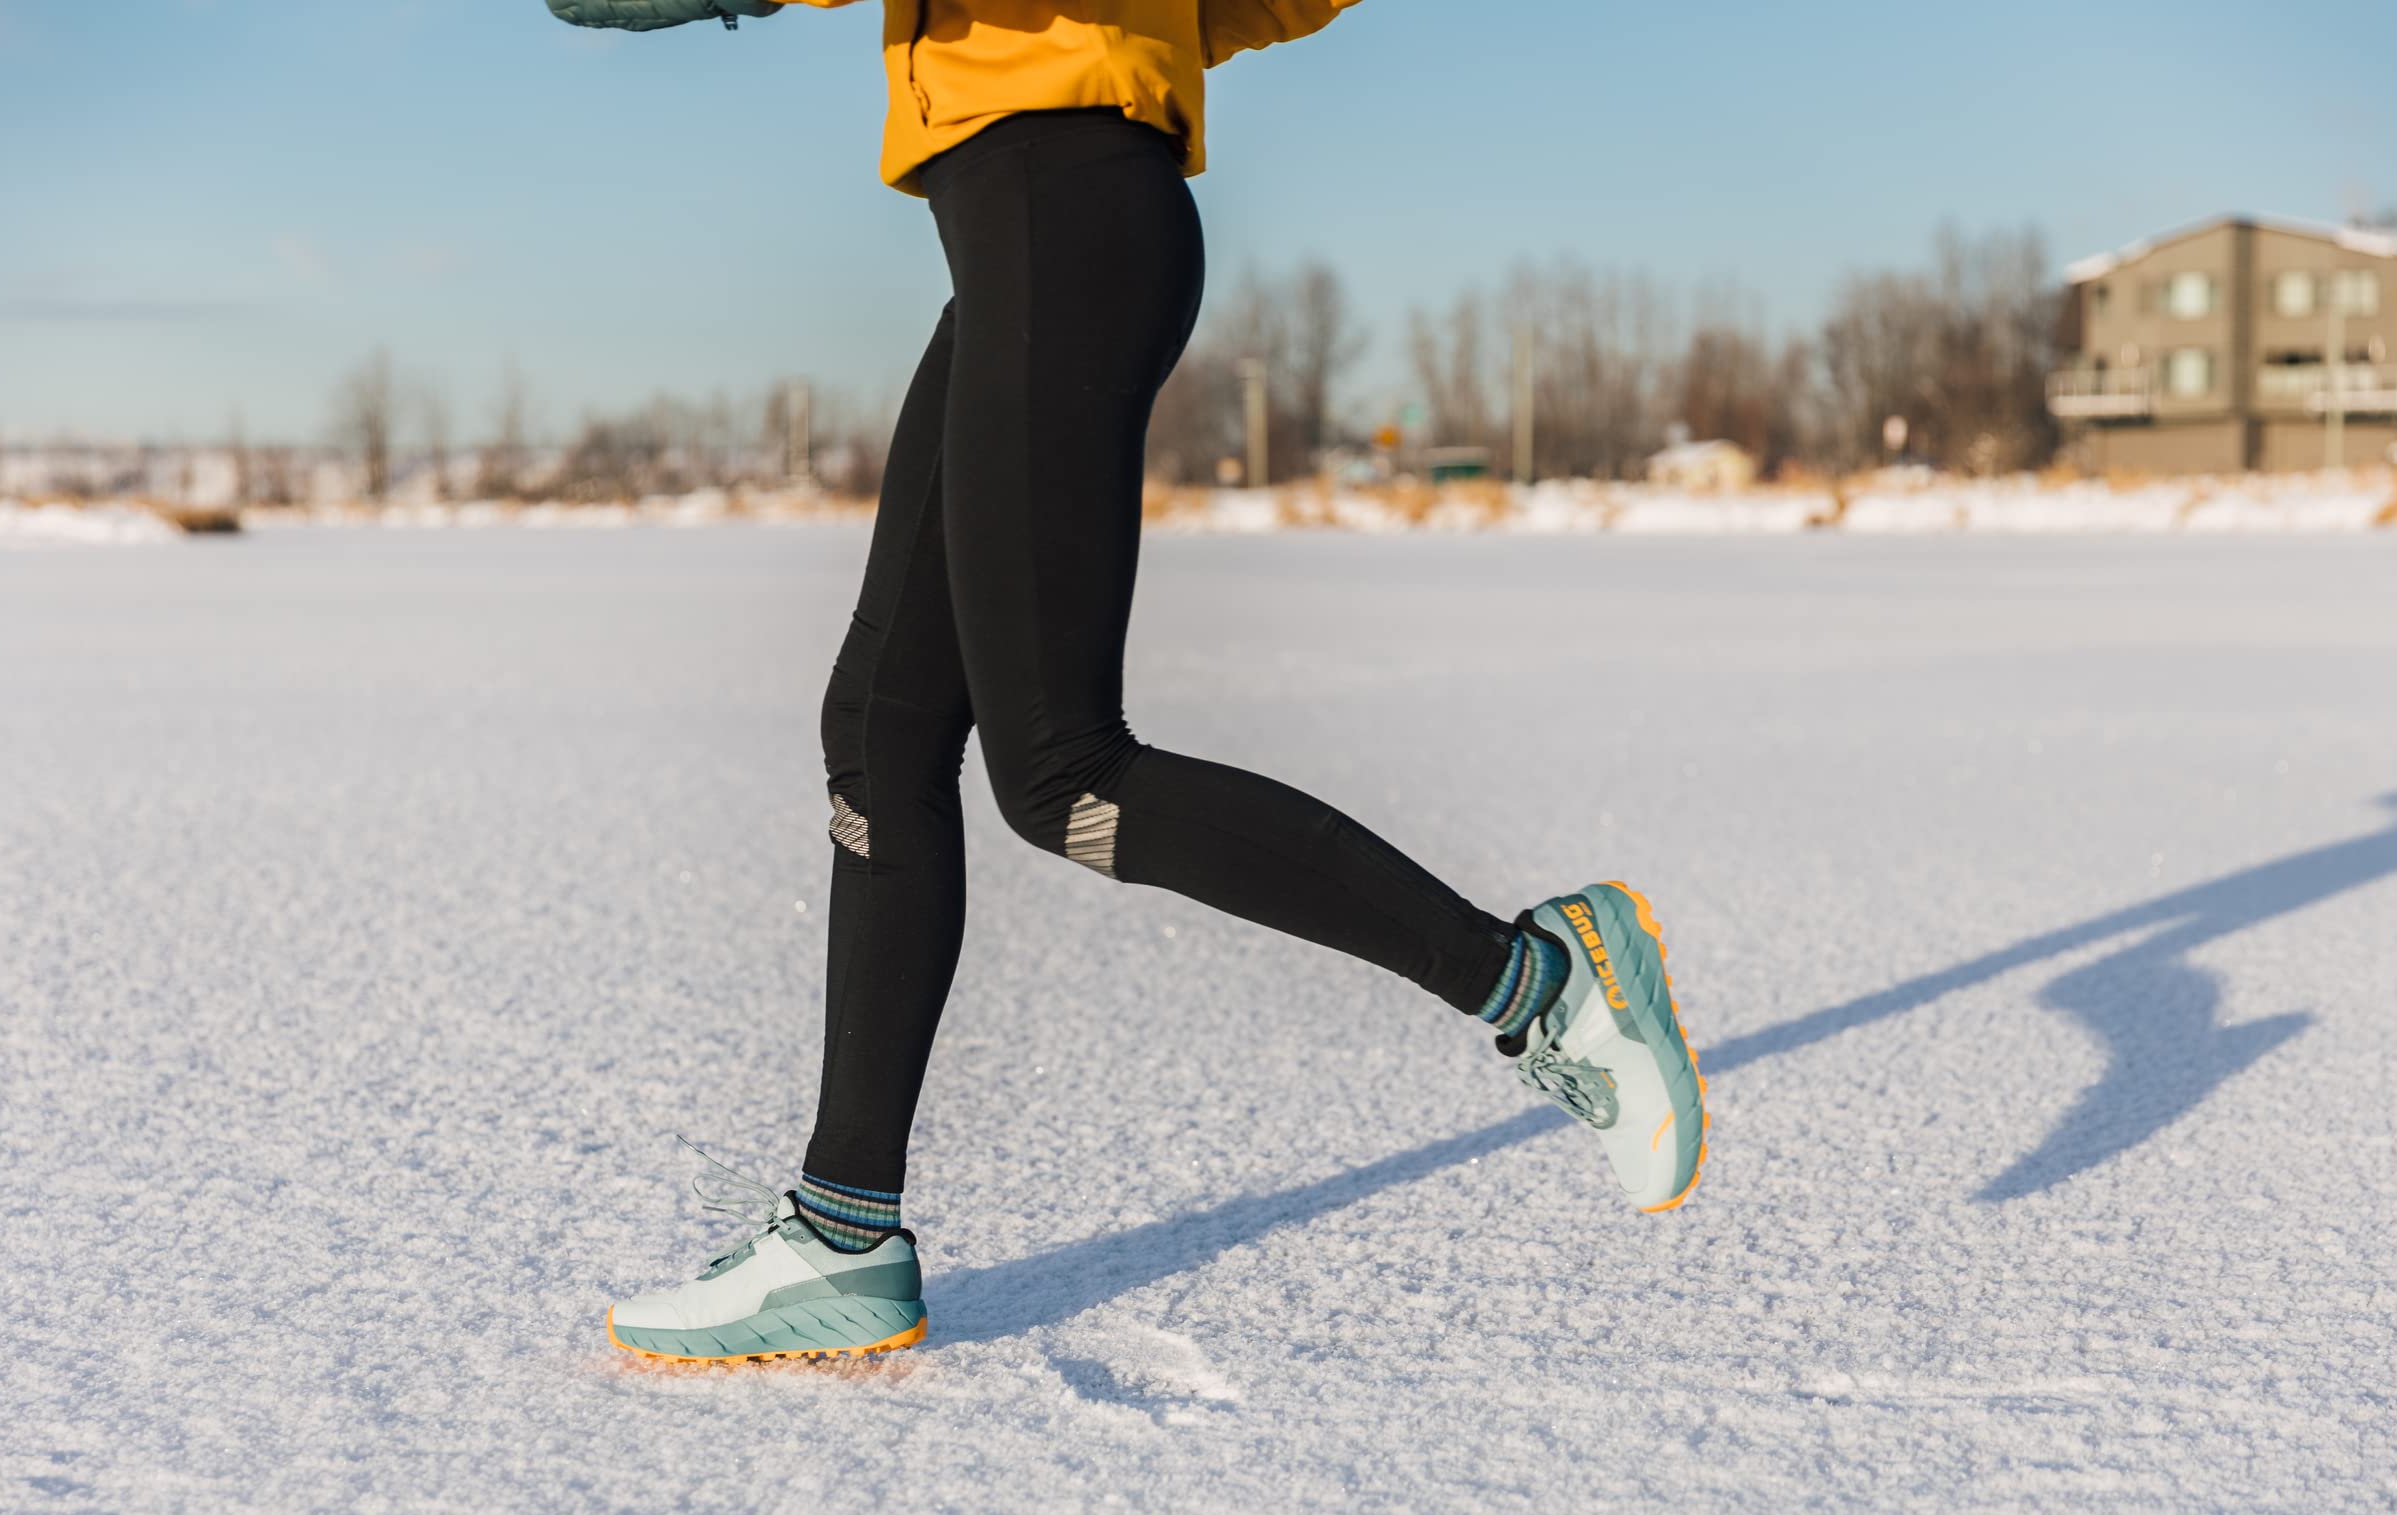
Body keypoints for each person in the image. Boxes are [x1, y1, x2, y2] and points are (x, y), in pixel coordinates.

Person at [605, 0, 1708, 1365]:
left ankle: (1537, 981)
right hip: (1034, 220)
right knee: (883, 726)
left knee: (1061, 775)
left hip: (1055, 200)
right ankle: (842, 1237)